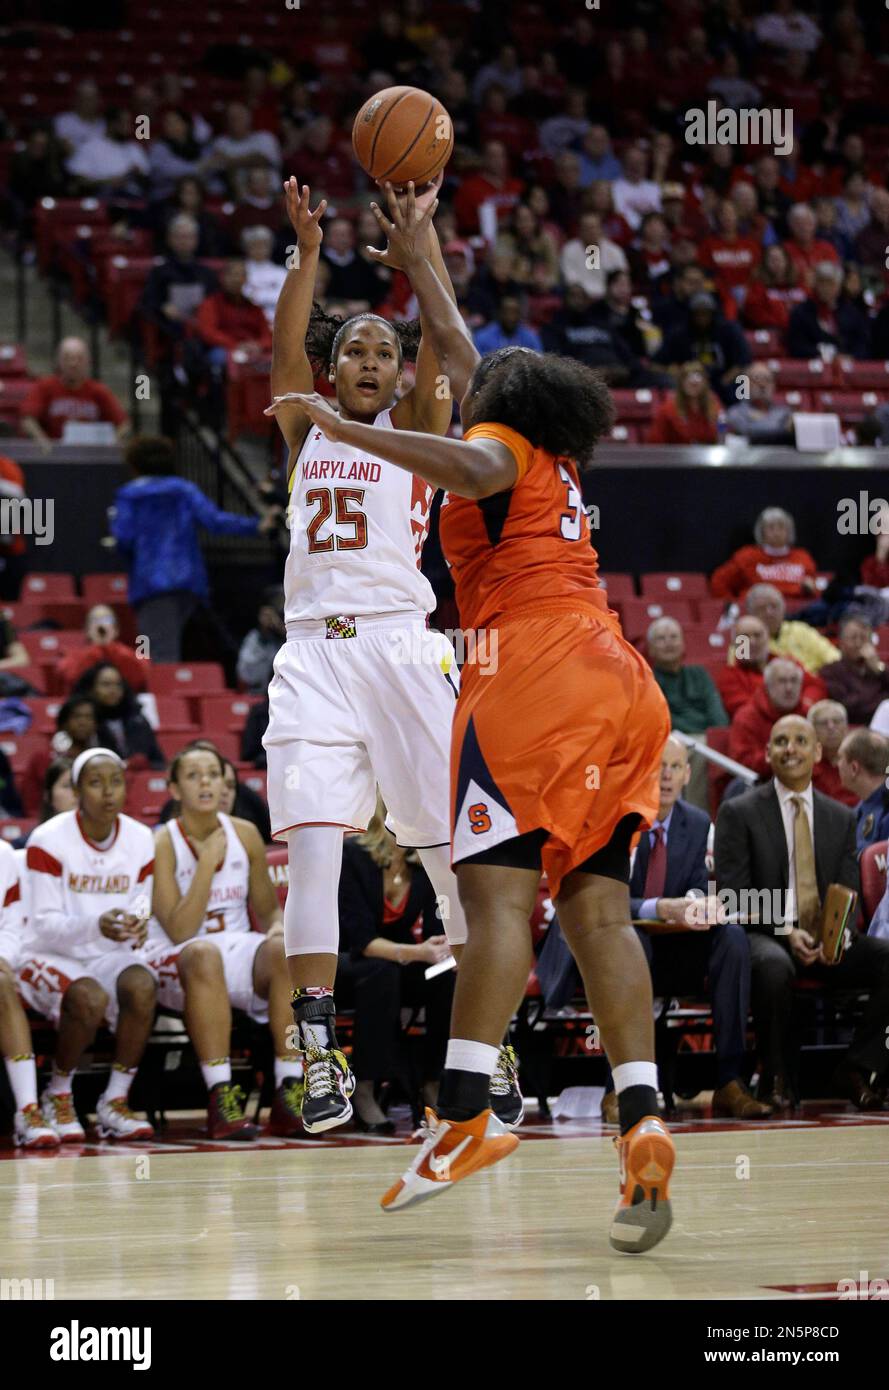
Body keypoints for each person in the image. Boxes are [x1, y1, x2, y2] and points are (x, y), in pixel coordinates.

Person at [269, 190, 676, 1249]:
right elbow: (457, 341)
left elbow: (462, 448)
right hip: (621, 683)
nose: (463, 373)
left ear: (499, 404)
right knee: (596, 915)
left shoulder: (492, 451)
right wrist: (421, 251)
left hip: (530, 675)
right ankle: (642, 1122)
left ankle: (460, 1116)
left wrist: (350, 424)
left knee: (493, 903)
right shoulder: (559, 458)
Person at [261, 176, 504, 1138]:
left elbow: (452, 351)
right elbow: (286, 342)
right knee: (312, 851)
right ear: (332, 372)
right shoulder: (303, 423)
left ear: (401, 375)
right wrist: (308, 252)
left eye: (385, 351)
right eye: (353, 347)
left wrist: (419, 249)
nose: (370, 358)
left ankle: (489, 1047)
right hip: (314, 657)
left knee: (448, 855)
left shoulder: (418, 433)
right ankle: (318, 1054)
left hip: (407, 653)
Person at [715, 716, 889, 1110]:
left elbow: (848, 892)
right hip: (767, 933)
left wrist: (836, 937)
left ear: (818, 753)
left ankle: (858, 1066)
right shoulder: (738, 812)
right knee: (775, 965)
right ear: (767, 754)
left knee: (886, 959)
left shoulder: (841, 817)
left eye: (799, 740)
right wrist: (786, 930)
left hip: (823, 937)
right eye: (780, 741)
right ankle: (774, 1075)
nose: (789, 748)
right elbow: (733, 896)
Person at [599, 737, 770, 1122]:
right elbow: (601, 901)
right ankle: (620, 1085)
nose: (666, 776)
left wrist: (700, 905)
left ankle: (729, 1081)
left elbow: (693, 885)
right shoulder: (617, 821)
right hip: (618, 947)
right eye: (659, 767)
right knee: (632, 941)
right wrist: (661, 907)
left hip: (676, 950)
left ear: (687, 774)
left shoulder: (696, 822)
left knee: (732, 938)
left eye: (675, 767)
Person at [146, 744, 301, 1139]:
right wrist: (204, 865)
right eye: (194, 775)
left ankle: (289, 1090)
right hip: (176, 957)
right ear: (174, 789)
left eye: (213, 774)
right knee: (203, 952)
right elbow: (180, 930)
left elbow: (267, 911)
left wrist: (278, 928)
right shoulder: (161, 842)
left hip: (234, 949)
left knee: (284, 950)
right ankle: (220, 1095)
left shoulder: (245, 833)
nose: (206, 783)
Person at [17, 749, 158, 1140]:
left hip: (107, 951)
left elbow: (142, 899)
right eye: (95, 783)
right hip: (48, 952)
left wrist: (141, 922)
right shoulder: (48, 839)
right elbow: (42, 926)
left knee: (143, 985)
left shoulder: (141, 837)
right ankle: (58, 1094)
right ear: (78, 790)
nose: (108, 792)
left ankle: (115, 1100)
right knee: (89, 997)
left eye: (115, 782)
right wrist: (96, 925)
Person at [337, 801, 455, 1131]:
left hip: (404, 959)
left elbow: (436, 928)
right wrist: (417, 952)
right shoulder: (352, 855)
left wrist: (444, 948)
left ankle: (435, 1080)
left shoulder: (423, 860)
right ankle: (365, 1088)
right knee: (380, 973)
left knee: (446, 976)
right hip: (350, 960)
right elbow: (360, 939)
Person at [110, 434, 279, 662]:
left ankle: (163, 696)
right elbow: (214, 521)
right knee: (181, 647)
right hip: (189, 581)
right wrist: (257, 526)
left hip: (151, 583)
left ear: (133, 464)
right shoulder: (184, 490)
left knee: (158, 654)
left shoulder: (129, 496)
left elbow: (123, 538)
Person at [0, 837, 61, 1146]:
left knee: (0, 982)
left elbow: (11, 927)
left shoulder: (3, 854)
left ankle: (27, 1109)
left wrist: (3, 958)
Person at [21, 338, 129, 447]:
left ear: (88, 361)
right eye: (67, 358)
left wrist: (110, 444)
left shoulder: (98, 391)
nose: (73, 364)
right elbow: (27, 420)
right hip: (54, 455)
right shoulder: (44, 387)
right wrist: (43, 441)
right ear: (58, 361)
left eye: (79, 359)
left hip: (91, 455)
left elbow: (124, 425)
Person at [716, 615, 825, 718]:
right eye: (744, 637)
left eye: (757, 635)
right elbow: (743, 709)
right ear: (735, 644)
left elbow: (816, 686)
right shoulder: (729, 676)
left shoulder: (787, 663)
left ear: (768, 638)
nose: (752, 642)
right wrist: (791, 704)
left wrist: (806, 702)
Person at [657, 292, 752, 404]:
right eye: (698, 313)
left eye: (706, 313)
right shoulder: (679, 334)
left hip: (724, 379)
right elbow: (656, 363)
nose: (702, 318)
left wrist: (727, 378)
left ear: (713, 314)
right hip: (691, 380)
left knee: (743, 380)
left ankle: (743, 412)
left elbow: (744, 361)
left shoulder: (729, 330)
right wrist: (673, 370)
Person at [711, 508, 817, 603]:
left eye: (781, 527)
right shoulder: (747, 556)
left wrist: (810, 589)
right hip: (758, 611)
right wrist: (736, 606)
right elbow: (719, 582)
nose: (776, 532)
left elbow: (816, 590)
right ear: (761, 532)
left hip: (797, 611)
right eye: (771, 528)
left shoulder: (803, 557)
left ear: (789, 531)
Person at [71, 664, 163, 769]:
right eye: (106, 684)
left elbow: (157, 760)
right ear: (91, 688)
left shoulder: (137, 719)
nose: (113, 690)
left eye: (118, 684)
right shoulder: (86, 720)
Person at [729, 658, 808, 780]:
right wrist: (782, 757)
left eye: (794, 681)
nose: (789, 687)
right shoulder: (747, 717)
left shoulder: (809, 714)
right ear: (767, 686)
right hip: (762, 782)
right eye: (782, 681)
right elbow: (742, 762)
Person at [22, 695, 98, 817]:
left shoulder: (101, 761)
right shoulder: (42, 759)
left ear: (96, 724)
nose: (83, 722)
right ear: (64, 722)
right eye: (77, 716)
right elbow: (31, 802)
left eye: (89, 717)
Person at [745, 583, 840, 674]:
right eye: (761, 608)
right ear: (750, 613)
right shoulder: (743, 637)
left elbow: (834, 658)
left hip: (812, 683)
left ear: (783, 609)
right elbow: (737, 670)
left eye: (774, 606)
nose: (769, 612)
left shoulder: (802, 629)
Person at [787, 261, 871, 360]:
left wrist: (851, 357)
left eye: (830, 283)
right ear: (815, 285)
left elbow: (863, 345)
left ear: (839, 286)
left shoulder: (852, 313)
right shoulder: (801, 313)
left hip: (849, 367)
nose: (825, 288)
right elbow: (797, 346)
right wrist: (823, 354)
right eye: (822, 282)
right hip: (813, 367)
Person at [57, 604, 148, 694]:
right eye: (95, 620)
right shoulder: (73, 657)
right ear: (87, 631)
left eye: (107, 620)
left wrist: (109, 647)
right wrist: (97, 648)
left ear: (116, 630)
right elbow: (73, 677)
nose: (101, 624)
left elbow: (140, 675)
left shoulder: (130, 654)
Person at [822, 612, 889, 725]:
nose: (858, 643)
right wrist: (880, 699)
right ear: (841, 642)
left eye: (863, 638)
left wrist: (878, 668)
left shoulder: (879, 669)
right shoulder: (830, 671)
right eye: (853, 638)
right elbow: (849, 707)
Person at [836, 729, 889, 852]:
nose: (837, 764)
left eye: (840, 758)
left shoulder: (885, 812)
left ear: (854, 768)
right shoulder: (863, 805)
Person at [646, 361, 722, 444]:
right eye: (689, 382)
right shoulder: (667, 410)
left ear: (705, 383)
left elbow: (721, 434)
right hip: (675, 455)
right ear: (681, 384)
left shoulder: (713, 404)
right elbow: (655, 443)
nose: (693, 384)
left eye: (696, 383)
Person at [724, 363, 794, 444]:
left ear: (774, 385)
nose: (762, 384)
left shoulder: (784, 412)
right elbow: (748, 433)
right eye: (756, 379)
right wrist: (782, 430)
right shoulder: (735, 413)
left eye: (767, 380)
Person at [236, 587, 285, 693]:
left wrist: (281, 629)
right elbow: (245, 674)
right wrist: (264, 632)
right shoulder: (255, 637)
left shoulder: (326, 614)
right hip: (263, 693)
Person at [808, 700, 856, 807]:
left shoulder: (860, 761)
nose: (831, 727)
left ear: (846, 728)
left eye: (837, 721)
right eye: (823, 723)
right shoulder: (806, 766)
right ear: (812, 730)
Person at [473, 294, 542, 354]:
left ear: (520, 314)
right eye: (506, 312)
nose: (510, 317)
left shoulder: (530, 339)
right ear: (499, 313)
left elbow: (539, 364)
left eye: (514, 312)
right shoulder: (482, 338)